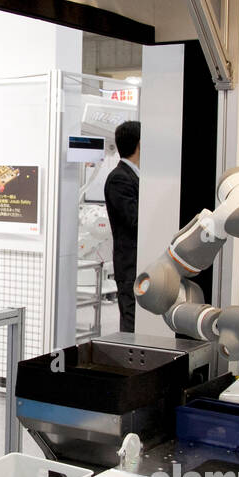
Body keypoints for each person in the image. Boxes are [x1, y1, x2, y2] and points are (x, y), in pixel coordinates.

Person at [105, 120, 141, 333]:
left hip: (139, 262)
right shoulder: (119, 178)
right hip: (130, 264)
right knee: (131, 320)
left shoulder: (134, 175)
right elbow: (134, 221)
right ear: (140, 144)